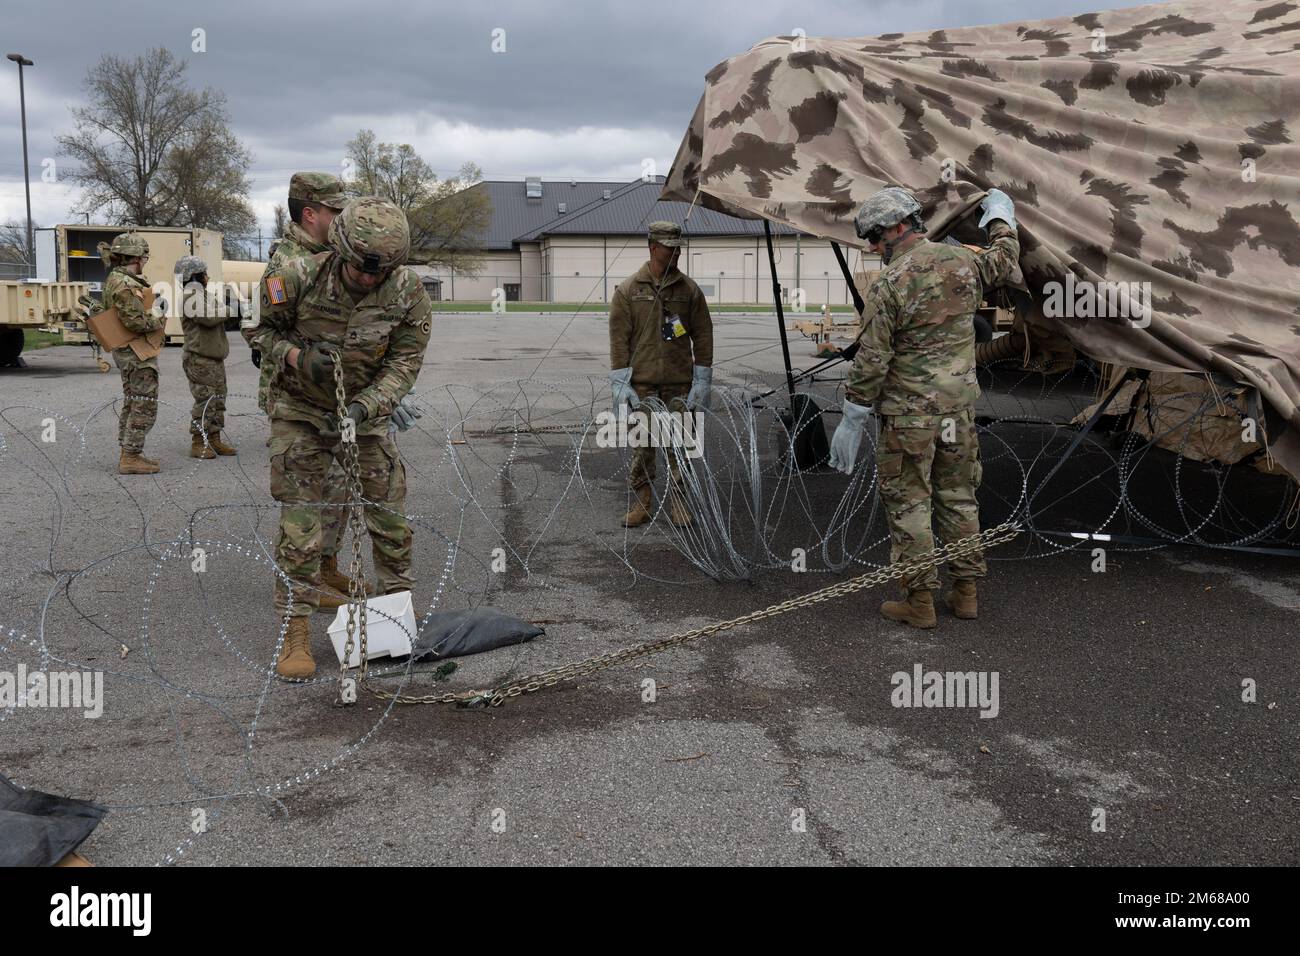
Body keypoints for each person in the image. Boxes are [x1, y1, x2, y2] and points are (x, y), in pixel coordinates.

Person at [251, 197, 432, 679]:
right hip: (302, 413)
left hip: (366, 415)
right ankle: (296, 633)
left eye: (381, 272)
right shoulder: (295, 276)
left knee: (390, 519)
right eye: (360, 270)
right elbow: (260, 332)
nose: (370, 280)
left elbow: (404, 363)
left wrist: (367, 405)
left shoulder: (408, 291)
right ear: (340, 251)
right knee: (302, 527)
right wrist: (295, 357)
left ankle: (397, 621)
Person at [829, 187, 1021, 628]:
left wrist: (854, 414)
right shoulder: (965, 263)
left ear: (898, 228)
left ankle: (919, 603)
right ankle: (966, 593)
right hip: (957, 412)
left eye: (876, 238)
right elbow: (1006, 255)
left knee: (910, 503)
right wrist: (999, 216)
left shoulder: (891, 283)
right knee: (959, 499)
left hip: (908, 418)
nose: (874, 248)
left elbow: (872, 358)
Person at [608, 221, 713, 528]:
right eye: (670, 247)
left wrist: (702, 378)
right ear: (653, 247)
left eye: (679, 247)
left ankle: (680, 503)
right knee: (642, 446)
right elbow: (619, 338)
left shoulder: (688, 291)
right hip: (642, 384)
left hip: (679, 383)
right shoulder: (629, 290)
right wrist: (619, 382)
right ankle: (642, 503)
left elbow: (703, 334)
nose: (676, 252)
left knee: (680, 445)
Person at [101, 233, 164, 475]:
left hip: (127, 350)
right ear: (136, 257)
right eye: (144, 257)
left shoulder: (117, 279)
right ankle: (131, 455)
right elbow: (135, 321)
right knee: (144, 403)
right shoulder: (125, 284)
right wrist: (157, 315)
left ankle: (129, 451)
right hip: (135, 352)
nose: (146, 261)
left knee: (133, 401)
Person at [175, 255, 236, 458]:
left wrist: (223, 309)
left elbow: (215, 310)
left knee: (218, 401)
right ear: (195, 275)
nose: (207, 277)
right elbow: (209, 317)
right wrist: (229, 309)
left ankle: (214, 439)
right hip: (200, 358)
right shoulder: (190, 295)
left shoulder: (203, 294)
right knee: (205, 401)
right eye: (204, 273)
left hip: (213, 358)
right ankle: (198, 441)